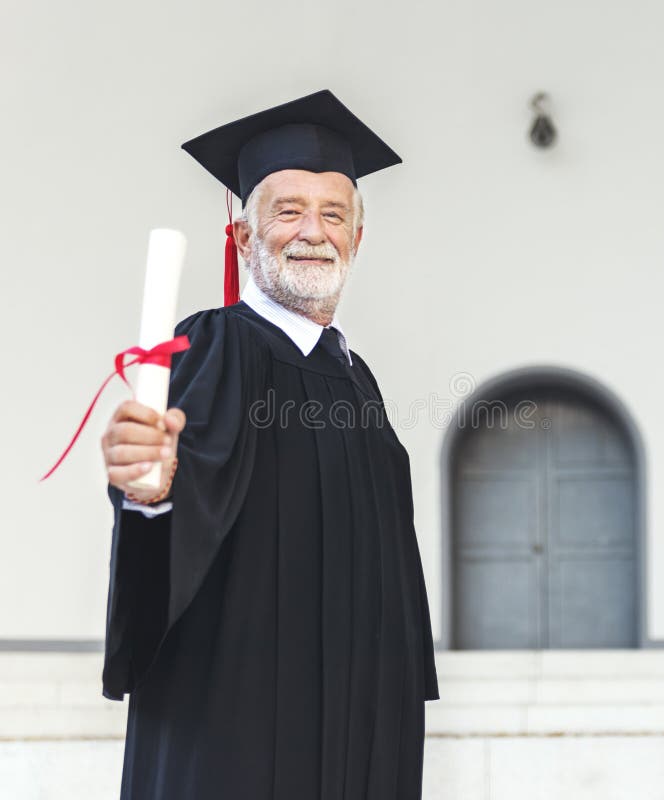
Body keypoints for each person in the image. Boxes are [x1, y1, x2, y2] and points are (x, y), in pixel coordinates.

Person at [99, 89, 439, 800]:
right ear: (245, 237)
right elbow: (172, 486)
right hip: (235, 723)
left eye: (333, 214)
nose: (313, 231)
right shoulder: (216, 345)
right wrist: (151, 490)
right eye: (287, 211)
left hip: (355, 724)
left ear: (356, 239)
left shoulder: (357, 381)